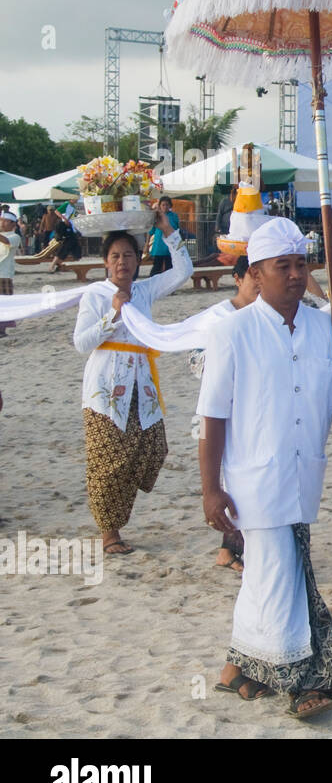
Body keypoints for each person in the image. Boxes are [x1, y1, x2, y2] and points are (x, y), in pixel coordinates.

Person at [198, 217, 332, 717]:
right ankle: (304, 681)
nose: (296, 274)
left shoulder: (326, 324)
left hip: (304, 474)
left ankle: (240, 668)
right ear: (257, 272)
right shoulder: (232, 332)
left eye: (301, 263)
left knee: (268, 574)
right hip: (252, 478)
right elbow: (212, 417)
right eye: (283, 266)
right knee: (285, 571)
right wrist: (211, 489)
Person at [73, 210, 194, 555]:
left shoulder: (144, 290)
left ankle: (119, 503)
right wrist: (112, 314)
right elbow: (81, 343)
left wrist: (168, 230)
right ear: (105, 262)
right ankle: (109, 532)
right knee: (106, 460)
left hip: (142, 384)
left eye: (128, 255)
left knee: (154, 448)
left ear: (138, 260)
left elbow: (184, 271)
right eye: (115, 256)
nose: (122, 261)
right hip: (104, 390)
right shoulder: (94, 295)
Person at [186, 256, 260, 573]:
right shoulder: (217, 317)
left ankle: (237, 549)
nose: (258, 283)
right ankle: (230, 550)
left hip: (256, 410)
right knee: (234, 480)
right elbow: (195, 360)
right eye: (251, 276)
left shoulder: (267, 313)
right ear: (237, 278)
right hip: (223, 412)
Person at [147, 197, 182, 275]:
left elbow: (177, 230)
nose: (165, 207)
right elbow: (150, 232)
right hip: (159, 245)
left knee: (169, 266)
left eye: (167, 205)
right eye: (163, 205)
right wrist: (146, 245)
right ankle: (153, 282)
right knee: (157, 266)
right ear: (160, 206)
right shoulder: (157, 216)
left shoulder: (174, 216)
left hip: (170, 245)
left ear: (170, 206)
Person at [0, 210, 18, 337]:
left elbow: (6, 241)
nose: (2, 223)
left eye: (5, 221)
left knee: (4, 303)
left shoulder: (15, 236)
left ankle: (1, 330)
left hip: (4, 274)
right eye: (1, 220)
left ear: (12, 224)